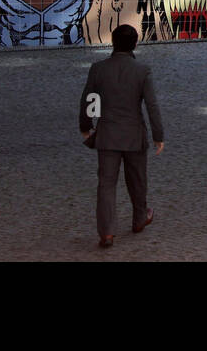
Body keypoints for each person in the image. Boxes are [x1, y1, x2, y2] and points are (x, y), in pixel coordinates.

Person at [78, 24, 164, 248]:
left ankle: (106, 232)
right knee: (137, 180)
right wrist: (158, 135)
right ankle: (139, 218)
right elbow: (152, 105)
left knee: (106, 184)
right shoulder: (142, 70)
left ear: (113, 42)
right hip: (134, 134)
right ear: (135, 43)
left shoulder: (98, 68)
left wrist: (86, 127)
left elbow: (88, 100)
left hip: (107, 135)